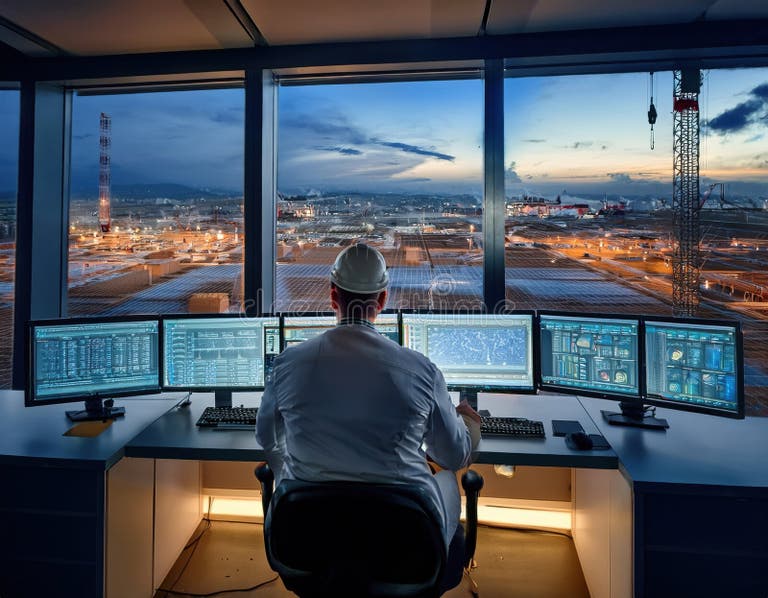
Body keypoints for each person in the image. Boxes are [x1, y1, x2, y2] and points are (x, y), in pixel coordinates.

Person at [256, 242, 481, 565]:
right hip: (403, 547)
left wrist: (288, 475)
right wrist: (468, 424)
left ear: (333, 296)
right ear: (383, 300)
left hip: (309, 543)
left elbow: (267, 437)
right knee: (446, 477)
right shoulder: (420, 370)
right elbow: (454, 455)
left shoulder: (288, 364)